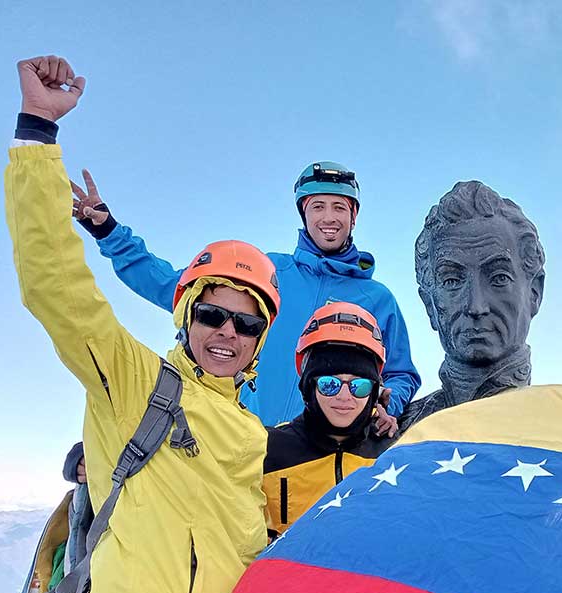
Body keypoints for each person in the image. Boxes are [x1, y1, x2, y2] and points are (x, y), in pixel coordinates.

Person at [7, 55, 352, 593]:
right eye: (212, 313)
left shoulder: (249, 430)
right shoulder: (131, 384)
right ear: (187, 312)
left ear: (263, 334)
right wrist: (38, 133)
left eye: (246, 320)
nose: (226, 332)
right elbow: (52, 285)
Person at [72, 159, 420, 435]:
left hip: (323, 455)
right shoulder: (266, 272)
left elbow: (401, 374)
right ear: (304, 213)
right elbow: (173, 286)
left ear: (353, 216)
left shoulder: (377, 298)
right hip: (235, 435)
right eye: (318, 207)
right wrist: (109, 232)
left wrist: (389, 406)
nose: (328, 218)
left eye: (339, 208)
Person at [399, 180, 545, 431]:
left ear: (534, 292)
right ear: (429, 305)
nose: (476, 306)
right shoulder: (395, 439)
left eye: (499, 278)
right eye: (452, 280)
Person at [264, 302, 389, 536]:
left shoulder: (391, 453)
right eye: (329, 384)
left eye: (359, 386)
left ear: (373, 392)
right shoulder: (267, 447)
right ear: (309, 387)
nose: (344, 396)